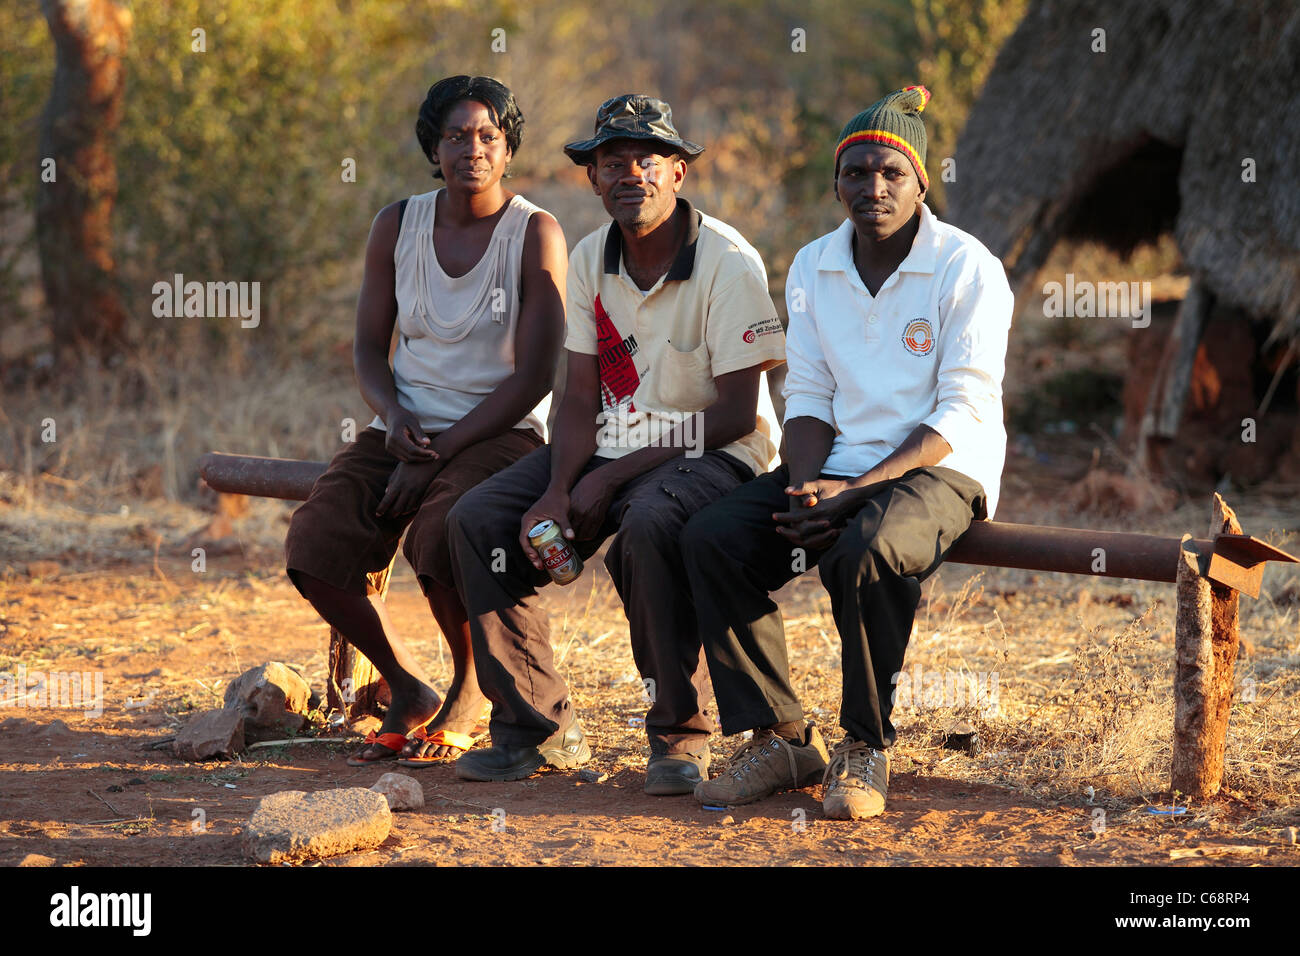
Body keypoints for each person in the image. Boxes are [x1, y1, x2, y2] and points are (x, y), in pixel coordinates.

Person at [681, 86, 1014, 818]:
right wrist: (805, 486)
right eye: (856, 173)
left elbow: (962, 408)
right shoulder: (813, 266)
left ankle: (864, 746)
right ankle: (782, 736)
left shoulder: (967, 267)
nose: (873, 188)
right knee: (711, 539)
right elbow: (808, 393)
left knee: (862, 551)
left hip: (938, 466)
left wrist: (856, 489)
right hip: (835, 467)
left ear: (921, 182)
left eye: (891, 174)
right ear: (836, 184)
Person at [444, 94, 786, 794]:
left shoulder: (726, 260)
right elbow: (574, 395)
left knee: (649, 522)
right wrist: (560, 487)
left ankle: (678, 737)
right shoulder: (591, 258)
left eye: (647, 160)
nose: (631, 175)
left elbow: (734, 415)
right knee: (478, 520)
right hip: (612, 441)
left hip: (713, 450)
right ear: (592, 180)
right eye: (612, 162)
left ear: (679, 172)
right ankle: (530, 729)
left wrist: (611, 479)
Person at [283, 75, 567, 766]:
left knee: (441, 531)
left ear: (508, 150)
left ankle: (469, 692)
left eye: (488, 137)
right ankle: (408, 684)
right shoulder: (396, 224)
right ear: (432, 147)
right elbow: (367, 349)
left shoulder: (535, 233)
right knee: (316, 542)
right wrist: (396, 416)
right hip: (405, 427)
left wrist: (437, 454)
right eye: (456, 135)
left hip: (499, 430)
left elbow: (533, 376)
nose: (472, 149)